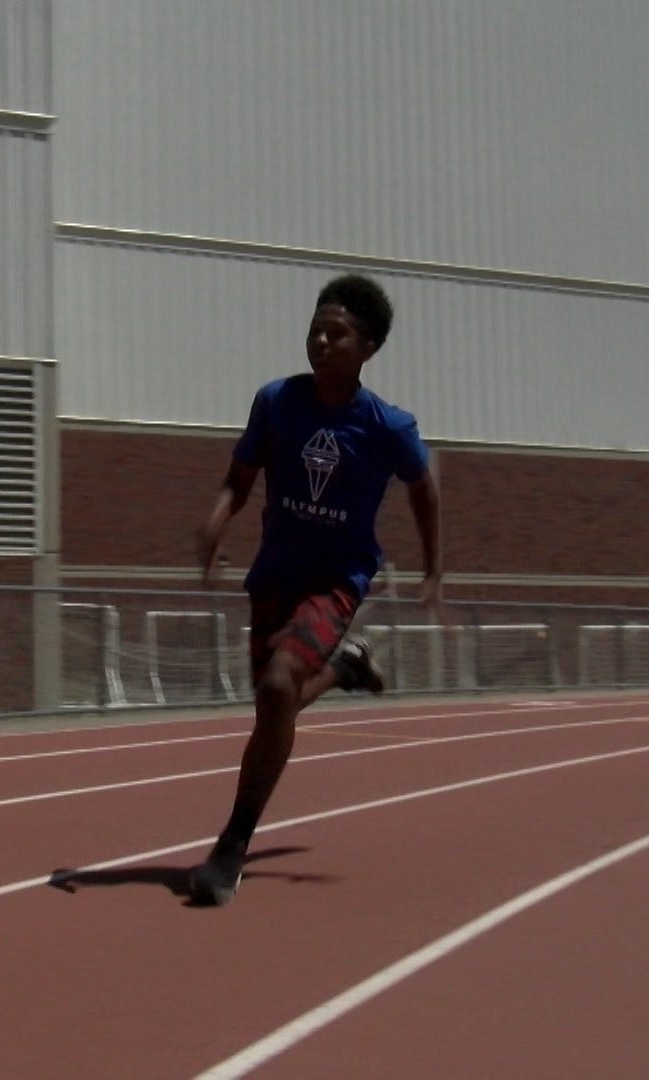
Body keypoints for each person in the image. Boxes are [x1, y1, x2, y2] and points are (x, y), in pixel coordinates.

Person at [188, 272, 442, 907]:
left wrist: (435, 565)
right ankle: (349, 668)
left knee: (278, 687)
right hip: (277, 570)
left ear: (369, 347)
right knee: (274, 706)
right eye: (315, 330)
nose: (322, 342)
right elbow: (239, 478)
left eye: (338, 333)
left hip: (338, 576)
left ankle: (232, 844)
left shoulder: (388, 426)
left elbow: (423, 489)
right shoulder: (276, 402)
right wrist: (216, 523)